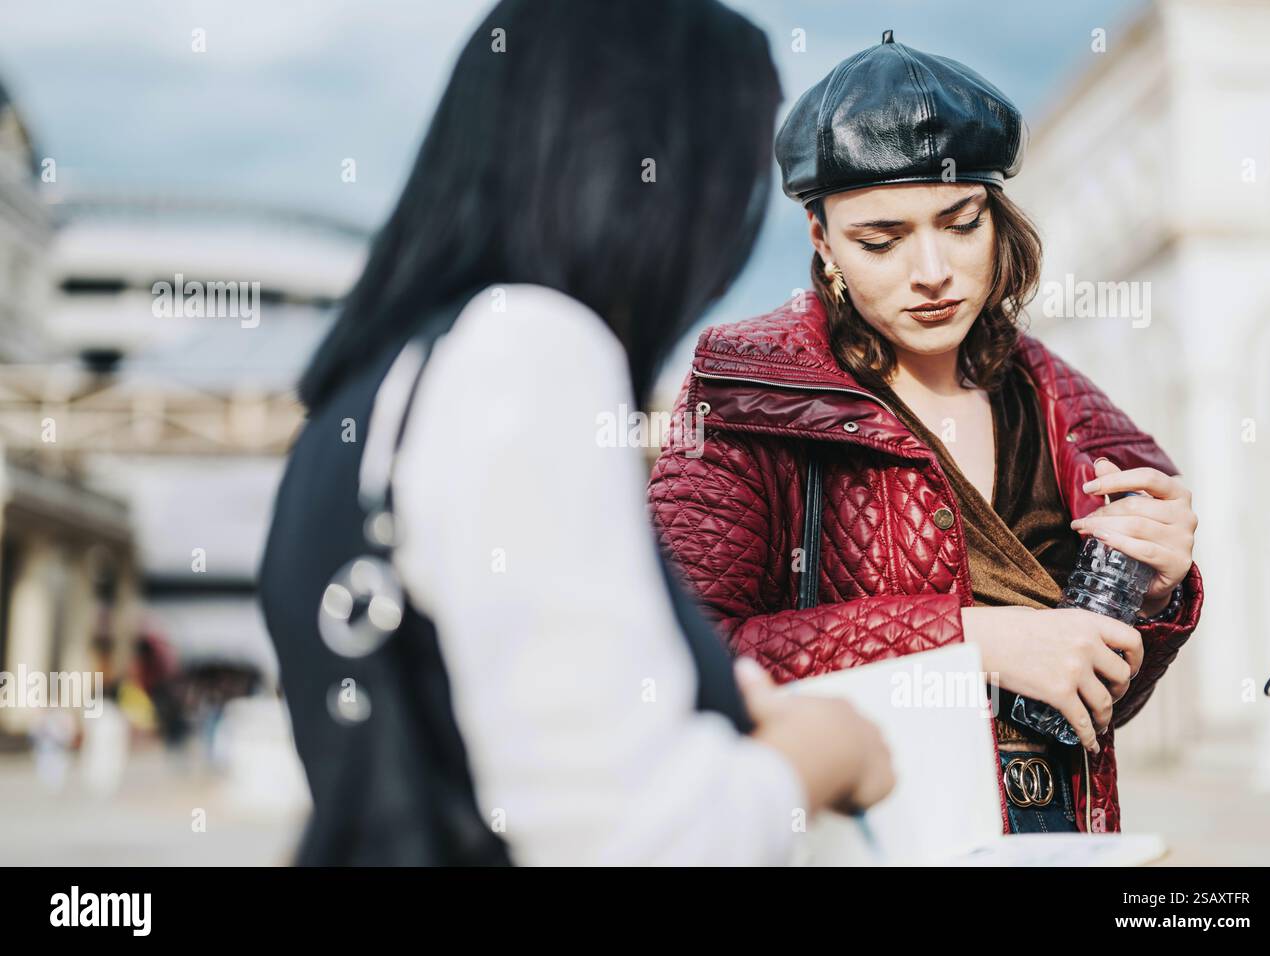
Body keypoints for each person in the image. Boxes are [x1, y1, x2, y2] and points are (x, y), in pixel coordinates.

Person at [259, 0, 893, 866]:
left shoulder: (361, 400)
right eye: (730, 178)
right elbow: (635, 841)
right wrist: (829, 752)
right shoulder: (530, 348)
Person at [648, 31, 1203, 835]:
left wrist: (1156, 595)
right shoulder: (743, 387)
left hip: (1065, 836)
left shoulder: (1062, 402)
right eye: (882, 239)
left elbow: (1101, 701)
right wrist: (973, 640)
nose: (933, 271)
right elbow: (682, 658)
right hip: (872, 831)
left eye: (961, 222)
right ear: (822, 240)